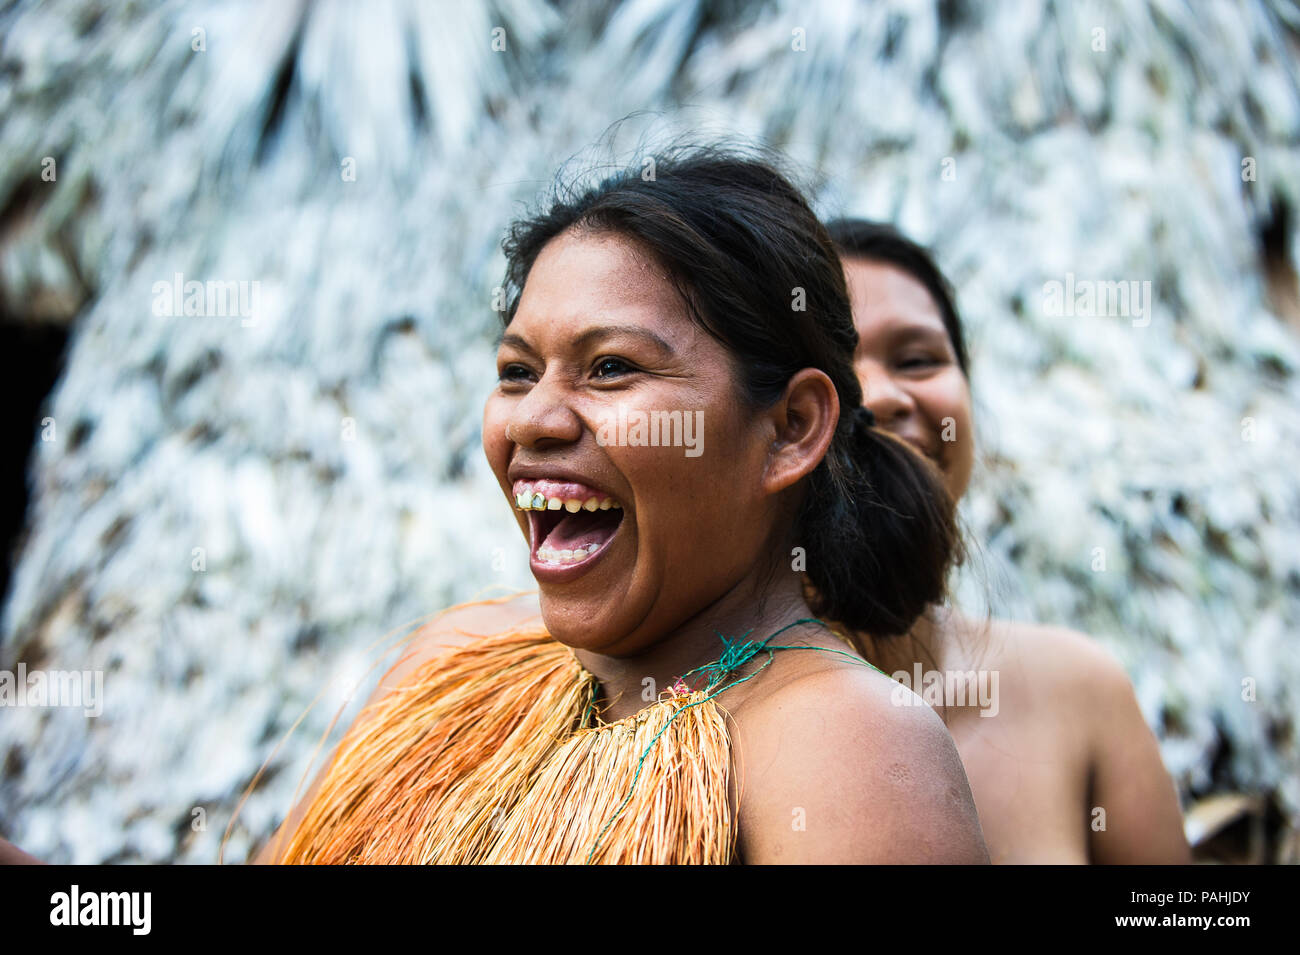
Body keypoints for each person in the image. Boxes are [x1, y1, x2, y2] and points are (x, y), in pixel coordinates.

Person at [254, 152, 990, 864]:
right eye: (516, 371)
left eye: (611, 367)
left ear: (790, 428)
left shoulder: (847, 747)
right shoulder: (444, 663)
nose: (534, 418)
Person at [826, 217, 1191, 864]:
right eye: (834, 364)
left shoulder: (1079, 688)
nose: (881, 395)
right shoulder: (695, 730)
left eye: (918, 359)